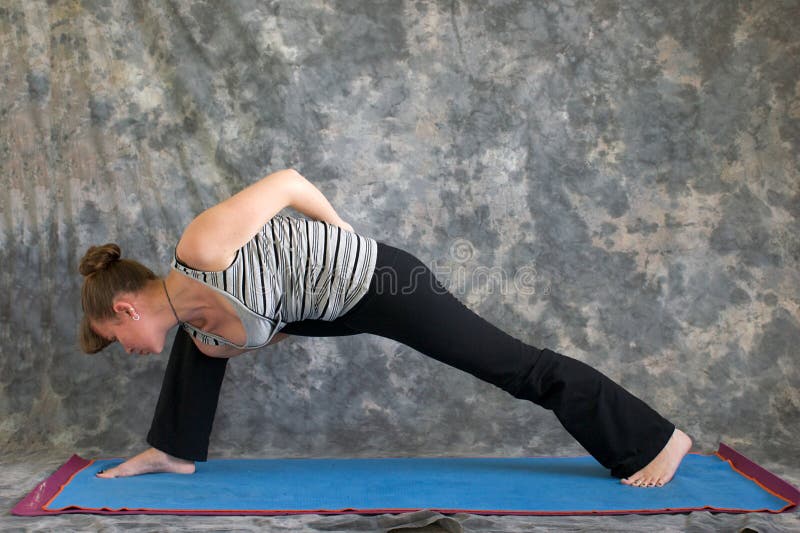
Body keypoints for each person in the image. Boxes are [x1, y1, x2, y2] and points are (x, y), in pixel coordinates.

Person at [78, 168, 692, 488]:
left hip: (381, 282)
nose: (124, 351)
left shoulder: (202, 246)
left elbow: (290, 184)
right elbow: (279, 323)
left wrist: (345, 237)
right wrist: (246, 339)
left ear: (126, 309)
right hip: (321, 307)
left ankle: (656, 439)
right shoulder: (208, 330)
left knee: (516, 367)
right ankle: (173, 451)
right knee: (200, 342)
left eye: (113, 339)